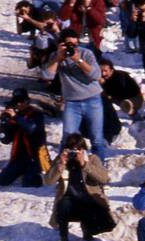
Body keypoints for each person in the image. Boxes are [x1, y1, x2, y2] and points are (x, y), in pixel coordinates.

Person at [48, 28, 111, 159]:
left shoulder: (86, 53)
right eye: (68, 44)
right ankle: (62, 168)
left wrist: (78, 60)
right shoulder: (56, 56)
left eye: (75, 45)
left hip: (92, 99)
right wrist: (58, 58)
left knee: (97, 138)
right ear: (61, 44)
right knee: (68, 137)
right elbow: (46, 75)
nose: (72, 48)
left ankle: (99, 170)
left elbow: (96, 75)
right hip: (71, 102)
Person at [45, 133, 115, 241]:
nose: (74, 153)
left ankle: (88, 231)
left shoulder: (92, 159)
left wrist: (84, 164)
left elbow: (104, 178)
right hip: (68, 199)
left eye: (77, 149)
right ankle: (64, 238)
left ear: (83, 149)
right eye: (71, 149)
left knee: (88, 202)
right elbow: (48, 181)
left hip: (88, 198)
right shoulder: (61, 159)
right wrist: (60, 165)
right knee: (63, 204)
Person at [0, 88, 50, 187]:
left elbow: (30, 129)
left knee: (29, 183)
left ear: (27, 102)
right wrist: (4, 123)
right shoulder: (15, 117)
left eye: (21, 101)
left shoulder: (36, 115)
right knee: (2, 180)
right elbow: (5, 140)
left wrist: (16, 117)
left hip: (36, 158)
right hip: (20, 159)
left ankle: (38, 174)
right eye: (16, 102)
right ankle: (21, 172)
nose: (19, 104)